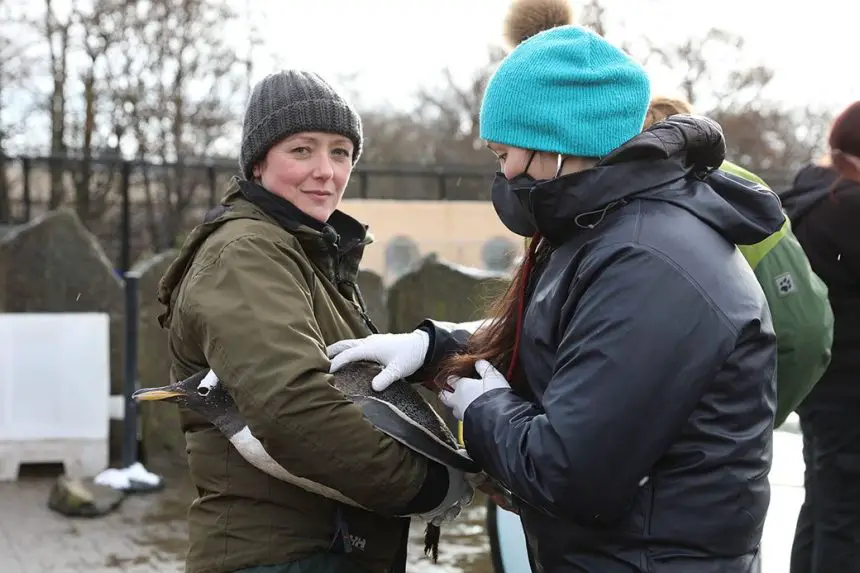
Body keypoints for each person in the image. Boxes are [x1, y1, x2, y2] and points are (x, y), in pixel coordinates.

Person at [326, 11, 787, 573]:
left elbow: (572, 471)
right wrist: (438, 350)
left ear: (556, 147)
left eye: (503, 156)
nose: (501, 174)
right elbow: (567, 354)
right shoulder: (605, 231)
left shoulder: (648, 262)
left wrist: (484, 410)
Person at [155, 70, 473, 573]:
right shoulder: (246, 253)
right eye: (302, 150)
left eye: (340, 152)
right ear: (258, 162)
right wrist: (422, 485)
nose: (326, 170)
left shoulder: (307, 252)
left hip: (332, 548)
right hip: (283, 555)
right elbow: (292, 406)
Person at [645, 96, 834, 428]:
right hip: (709, 441)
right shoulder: (742, 189)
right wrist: (748, 425)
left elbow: (803, 331)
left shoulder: (592, 188)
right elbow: (805, 331)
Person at [781, 100, 860, 573]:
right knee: (846, 521)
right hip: (853, 390)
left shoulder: (807, 198)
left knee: (824, 507)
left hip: (819, 380)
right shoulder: (849, 208)